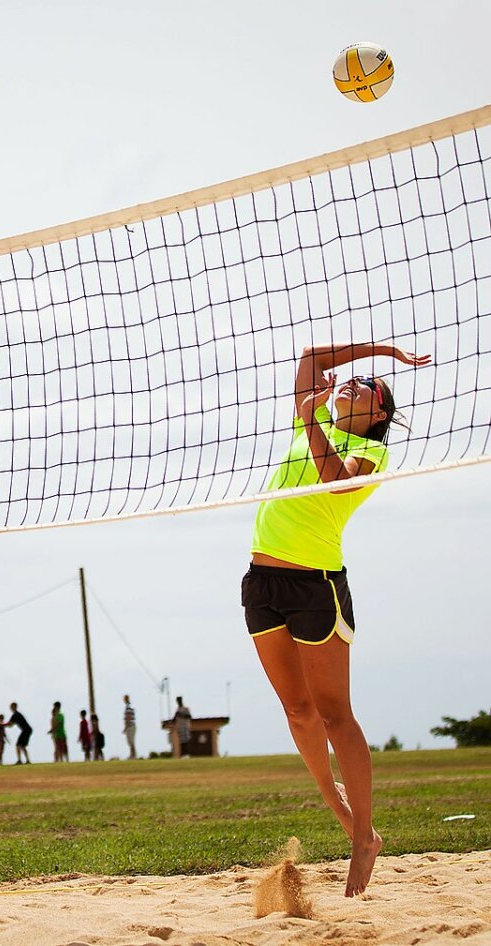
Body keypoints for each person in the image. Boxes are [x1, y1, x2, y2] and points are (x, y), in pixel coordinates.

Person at [243, 341, 428, 897]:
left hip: (316, 586)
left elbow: (334, 480)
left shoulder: (370, 452)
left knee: (333, 714)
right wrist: (386, 352)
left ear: (379, 413)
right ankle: (347, 818)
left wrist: (310, 419)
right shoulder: (316, 419)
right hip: (262, 580)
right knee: (297, 711)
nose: (352, 381)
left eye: (367, 385)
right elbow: (310, 358)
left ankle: (362, 838)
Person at [123, 694, 137, 760]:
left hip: (130, 726)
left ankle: (133, 755)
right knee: (130, 742)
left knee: (131, 741)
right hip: (131, 726)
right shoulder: (129, 706)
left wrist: (125, 727)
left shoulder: (128, 707)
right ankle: (132, 755)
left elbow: (128, 717)